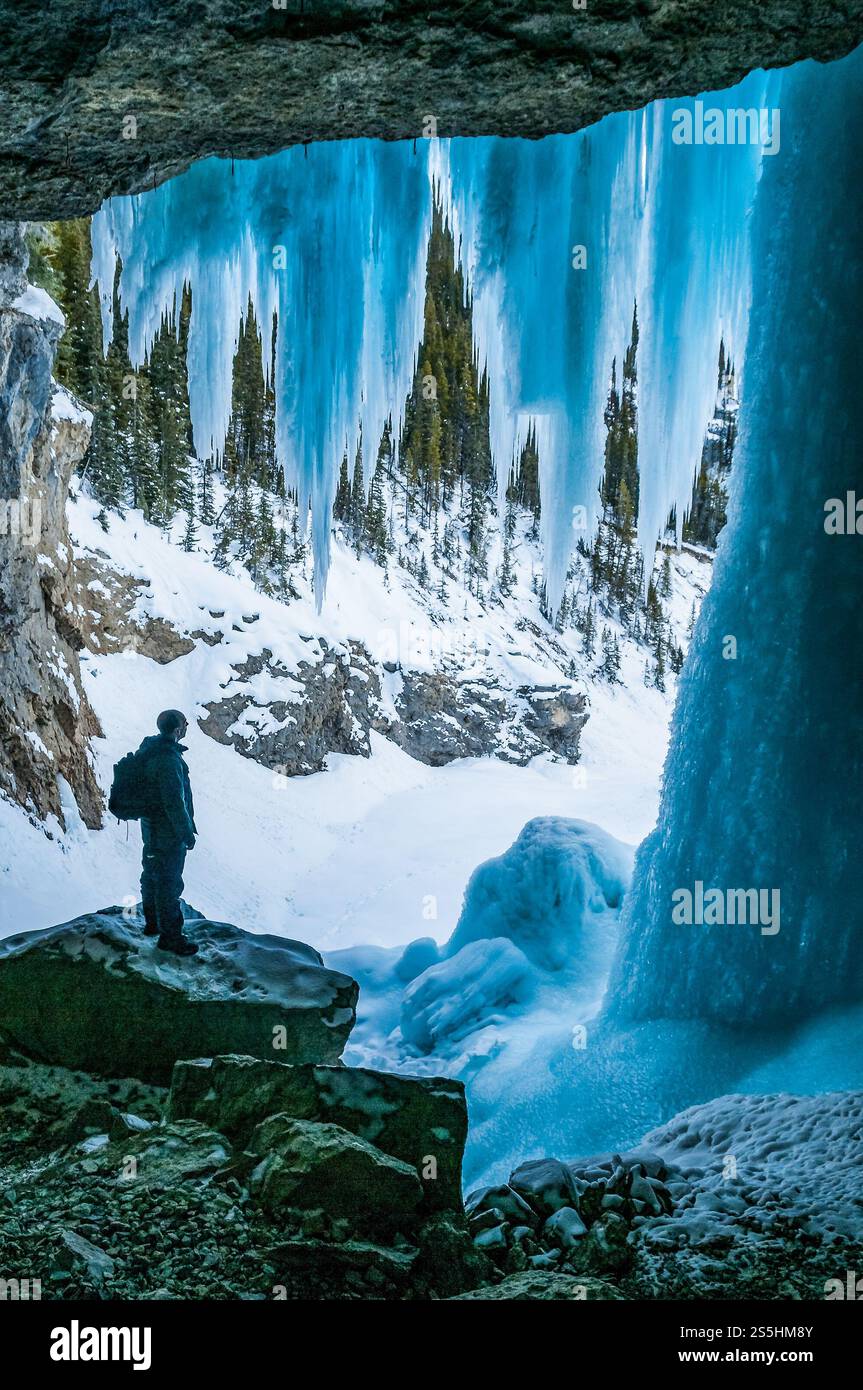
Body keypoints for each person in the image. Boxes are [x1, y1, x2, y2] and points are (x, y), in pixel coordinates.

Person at [138, 710, 199, 957]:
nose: (186, 728)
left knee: (151, 875)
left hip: (150, 830)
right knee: (169, 883)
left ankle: (152, 924)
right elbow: (174, 802)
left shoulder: (149, 751)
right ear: (177, 730)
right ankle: (171, 937)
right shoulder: (169, 760)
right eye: (185, 724)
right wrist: (187, 833)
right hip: (168, 834)